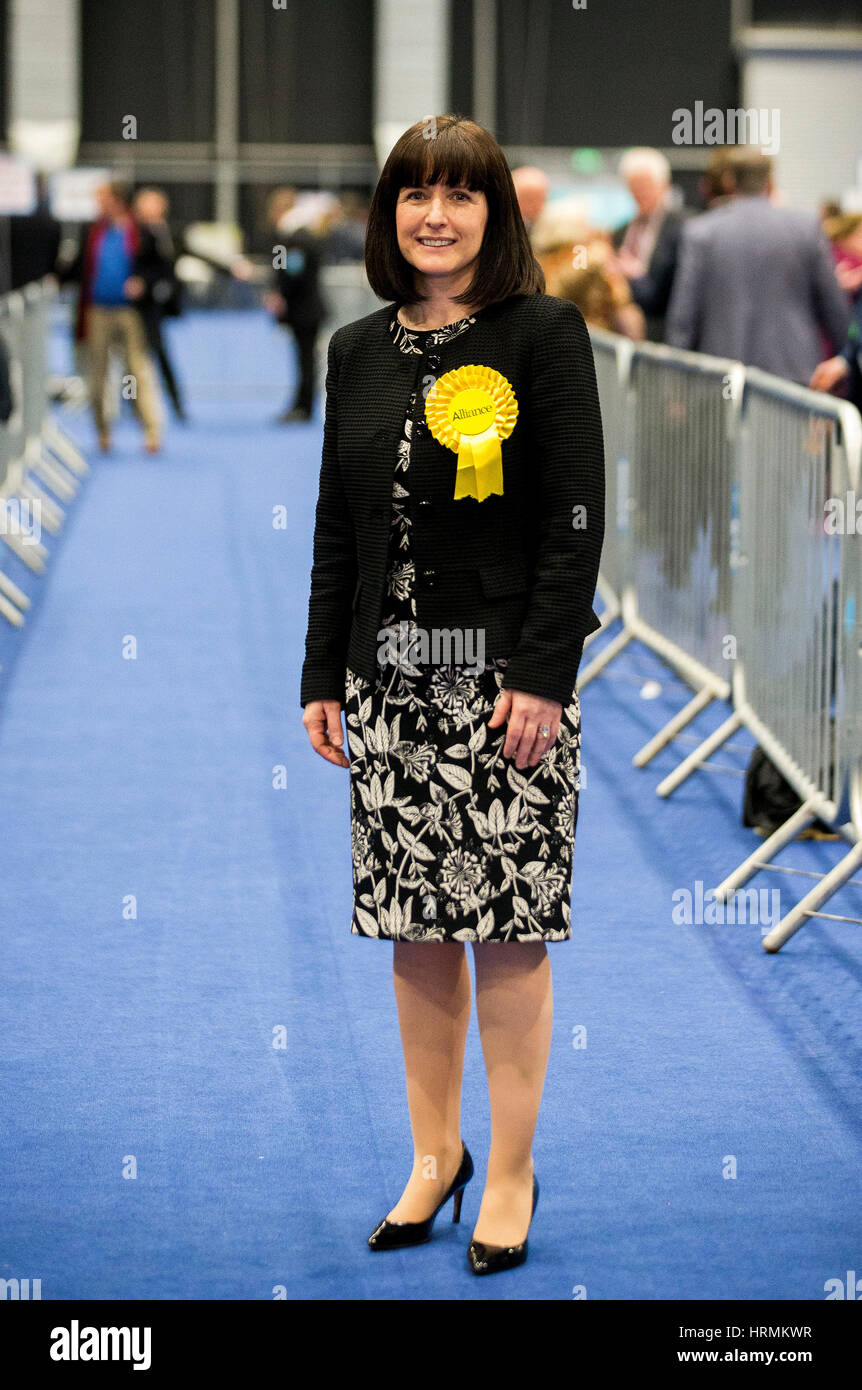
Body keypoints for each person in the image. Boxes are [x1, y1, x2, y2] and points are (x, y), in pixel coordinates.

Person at [299, 115, 605, 1276]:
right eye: (414, 193)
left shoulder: (545, 334)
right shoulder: (355, 351)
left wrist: (541, 673)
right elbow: (339, 527)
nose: (435, 213)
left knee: (508, 931)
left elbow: (577, 517)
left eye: (459, 195)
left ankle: (512, 1171)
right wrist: (322, 673)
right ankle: (436, 1154)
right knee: (417, 929)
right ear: (388, 215)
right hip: (386, 689)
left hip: (504, 693)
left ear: (493, 213)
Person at [666, 151, 850, 384]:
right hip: (793, 376)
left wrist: (675, 380)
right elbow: (834, 306)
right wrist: (845, 361)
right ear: (770, 181)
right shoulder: (806, 227)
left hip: (723, 376)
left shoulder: (701, 232)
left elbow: (684, 315)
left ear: (729, 181)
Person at [132, 186, 255, 422]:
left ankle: (176, 405)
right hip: (134, 306)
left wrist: (231, 268)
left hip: (159, 307)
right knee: (135, 358)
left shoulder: (172, 233)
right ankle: (134, 406)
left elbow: (198, 254)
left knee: (158, 354)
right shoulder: (133, 234)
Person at [59, 181, 163, 453]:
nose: (98, 205)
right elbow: (75, 267)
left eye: (102, 199)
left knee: (137, 371)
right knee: (97, 374)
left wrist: (143, 282)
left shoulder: (140, 232)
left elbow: (159, 268)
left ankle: (151, 431)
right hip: (97, 311)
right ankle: (102, 431)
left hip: (130, 312)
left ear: (117, 201)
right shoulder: (92, 231)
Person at [609, 147, 686, 342]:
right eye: (634, 186)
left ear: (663, 185)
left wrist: (636, 274)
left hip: (661, 333)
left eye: (645, 185)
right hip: (624, 335)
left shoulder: (683, 228)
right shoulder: (620, 231)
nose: (639, 192)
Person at [264, 188, 328, 423]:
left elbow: (290, 271)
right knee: (305, 359)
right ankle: (302, 406)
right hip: (305, 308)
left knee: (305, 360)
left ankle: (303, 408)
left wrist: (279, 294)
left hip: (304, 309)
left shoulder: (294, 238)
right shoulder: (298, 236)